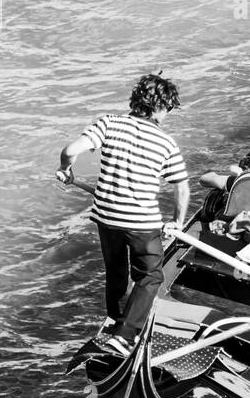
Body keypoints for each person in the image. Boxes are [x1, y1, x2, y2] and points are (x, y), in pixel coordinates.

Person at [57, 73, 190, 359]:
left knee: (116, 271)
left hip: (106, 218)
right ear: (158, 107)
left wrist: (66, 170)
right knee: (150, 275)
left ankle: (115, 323)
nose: (167, 115)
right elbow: (181, 187)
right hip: (142, 223)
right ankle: (125, 335)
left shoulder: (108, 123)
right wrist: (178, 222)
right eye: (167, 109)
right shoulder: (166, 143)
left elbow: (70, 151)